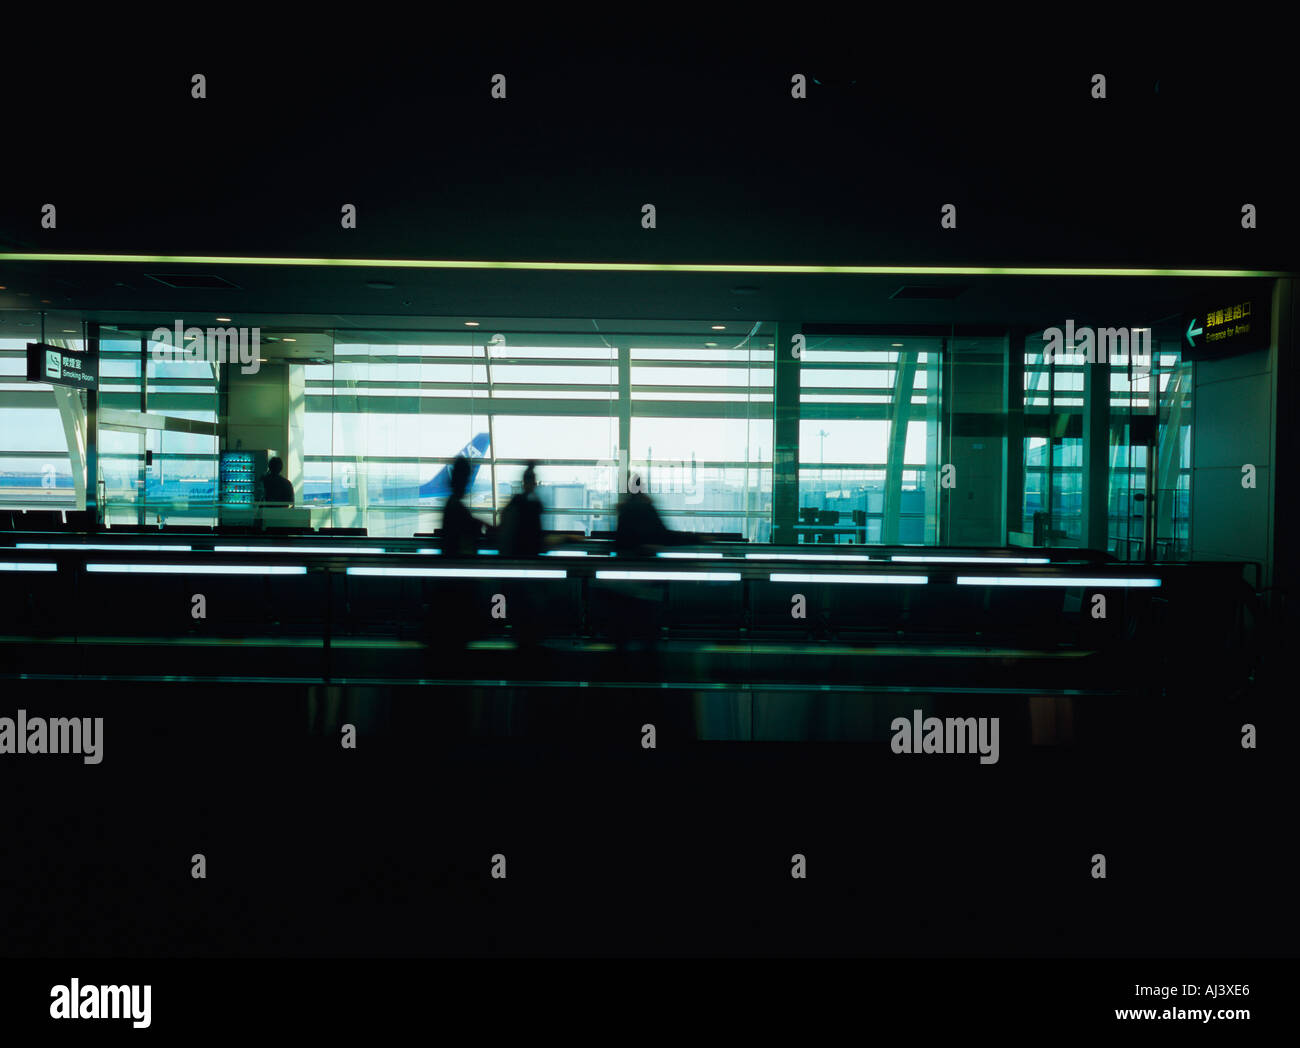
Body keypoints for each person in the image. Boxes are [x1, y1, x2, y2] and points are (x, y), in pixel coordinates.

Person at [441, 455, 486, 557]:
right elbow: (470, 526)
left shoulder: (452, 504)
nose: (467, 483)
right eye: (466, 479)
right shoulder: (456, 507)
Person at [498, 461, 543, 557]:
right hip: (529, 548)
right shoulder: (535, 504)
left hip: (516, 547)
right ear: (534, 484)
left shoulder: (517, 500)